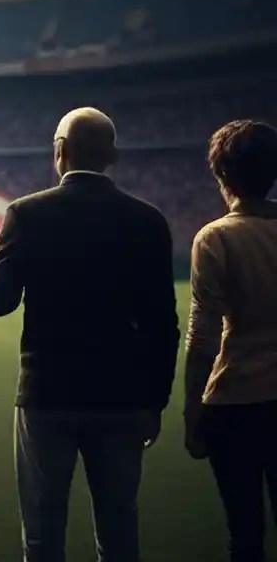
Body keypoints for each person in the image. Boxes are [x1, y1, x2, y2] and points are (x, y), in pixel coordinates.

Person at [0, 107, 179, 562]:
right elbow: (162, 325)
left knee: (42, 536)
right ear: (113, 154)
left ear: (60, 151)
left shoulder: (26, 214)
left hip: (47, 393)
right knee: (118, 533)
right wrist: (156, 402)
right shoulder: (147, 221)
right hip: (123, 397)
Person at [183, 120, 277, 562]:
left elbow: (202, 337)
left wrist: (191, 413)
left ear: (221, 175)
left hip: (236, 401)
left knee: (245, 536)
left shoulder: (216, 237)